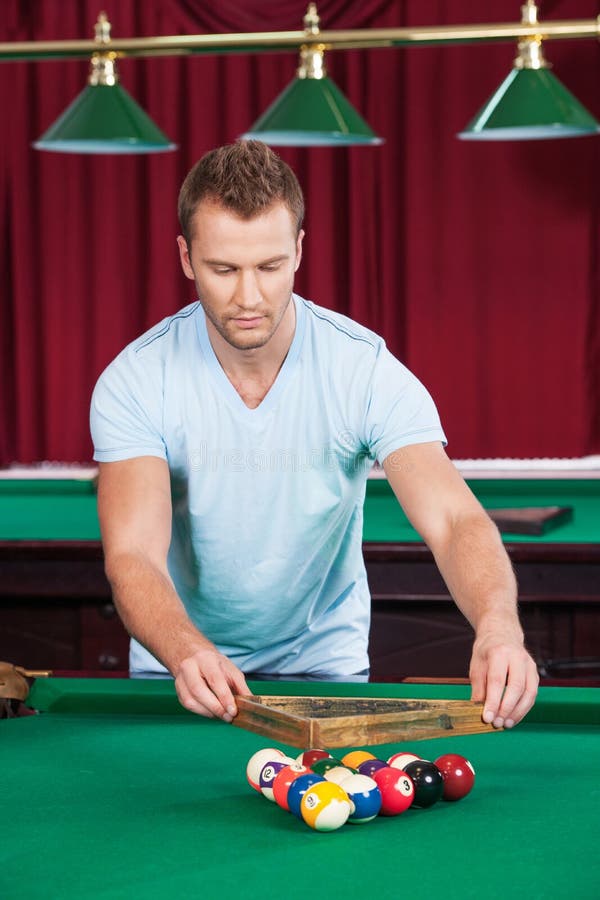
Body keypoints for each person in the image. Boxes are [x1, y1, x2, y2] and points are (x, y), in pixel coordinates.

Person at [90, 139, 538, 728]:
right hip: (181, 667)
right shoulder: (137, 380)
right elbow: (134, 555)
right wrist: (185, 650)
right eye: (223, 269)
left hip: (323, 665)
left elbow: (454, 521)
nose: (248, 297)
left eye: (270, 267)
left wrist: (498, 624)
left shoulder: (364, 370)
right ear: (185, 256)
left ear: (299, 251)